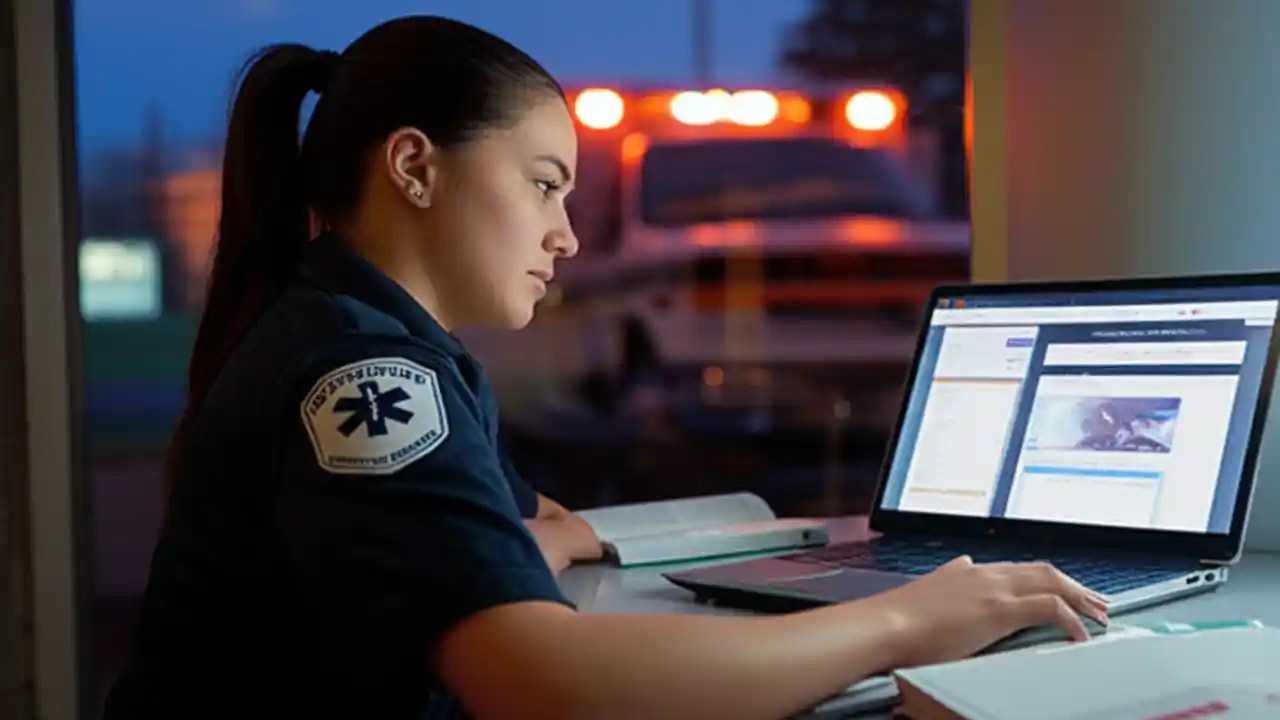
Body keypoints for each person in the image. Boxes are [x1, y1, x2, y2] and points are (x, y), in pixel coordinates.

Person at [103, 16, 1110, 720]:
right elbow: (540, 687)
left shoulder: (372, 337)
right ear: (413, 168)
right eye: (544, 187)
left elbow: (522, 532)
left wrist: (556, 542)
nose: (567, 238)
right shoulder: (363, 376)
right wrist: (898, 620)